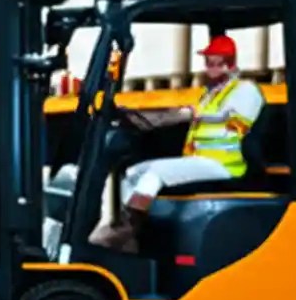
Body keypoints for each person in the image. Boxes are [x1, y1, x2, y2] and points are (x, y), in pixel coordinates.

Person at [89, 34, 265, 252]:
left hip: (225, 164)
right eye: (208, 62)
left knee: (155, 174)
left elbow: (236, 119)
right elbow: (196, 115)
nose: (209, 68)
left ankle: (127, 228)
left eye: (214, 63)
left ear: (229, 65)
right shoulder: (209, 94)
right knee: (134, 172)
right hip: (200, 159)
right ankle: (120, 230)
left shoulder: (246, 90)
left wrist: (192, 115)